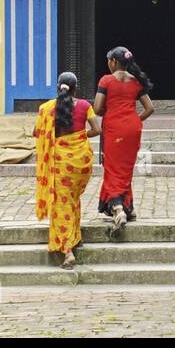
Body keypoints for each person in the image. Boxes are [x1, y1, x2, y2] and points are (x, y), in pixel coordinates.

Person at [33, 72, 101, 268]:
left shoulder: (46, 109)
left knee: (61, 204)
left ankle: (68, 251)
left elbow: (37, 132)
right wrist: (80, 135)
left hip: (60, 162)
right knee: (71, 198)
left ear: (58, 88)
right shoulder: (85, 106)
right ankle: (75, 236)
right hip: (80, 163)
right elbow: (97, 130)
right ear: (75, 88)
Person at [93, 45, 155, 235]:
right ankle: (130, 208)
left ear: (114, 62)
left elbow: (97, 108)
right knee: (125, 168)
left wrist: (110, 111)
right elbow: (150, 108)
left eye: (109, 61)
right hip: (133, 128)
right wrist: (135, 119)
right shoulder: (136, 82)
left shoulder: (106, 80)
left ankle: (118, 208)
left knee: (112, 168)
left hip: (114, 128)